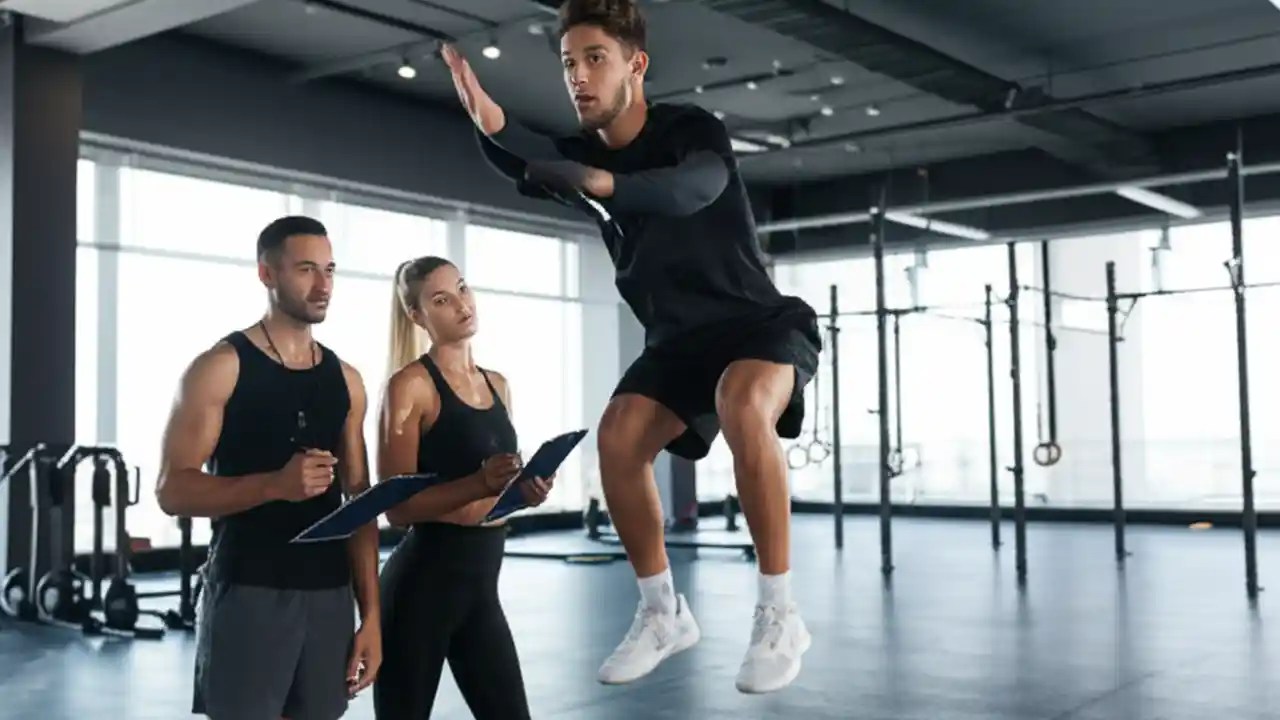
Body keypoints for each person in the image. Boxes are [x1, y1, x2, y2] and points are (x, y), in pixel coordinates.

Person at [441, 0, 821, 696]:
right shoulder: (582, 153)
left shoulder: (689, 129)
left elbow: (692, 189)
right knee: (617, 438)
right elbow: (522, 149)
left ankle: (779, 612)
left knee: (742, 403)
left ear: (634, 65)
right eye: (567, 64)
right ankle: (661, 613)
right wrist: (481, 111)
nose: (578, 78)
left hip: (756, 326)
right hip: (676, 342)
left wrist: (608, 186)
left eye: (594, 60)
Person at [155, 216, 382, 719]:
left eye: (330, 270)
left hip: (329, 595)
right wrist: (274, 485)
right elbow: (173, 490)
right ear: (267, 273)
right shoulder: (220, 367)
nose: (323, 285)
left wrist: (371, 617)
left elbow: (361, 504)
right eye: (306, 270)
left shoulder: (347, 380)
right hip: (250, 589)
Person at [372, 255, 553, 719]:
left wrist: (522, 494)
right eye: (441, 299)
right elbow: (396, 507)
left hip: (480, 592)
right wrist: (477, 483)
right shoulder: (410, 387)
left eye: (463, 289)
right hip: (420, 593)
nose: (461, 304)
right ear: (417, 317)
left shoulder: (498, 385)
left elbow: (492, 497)